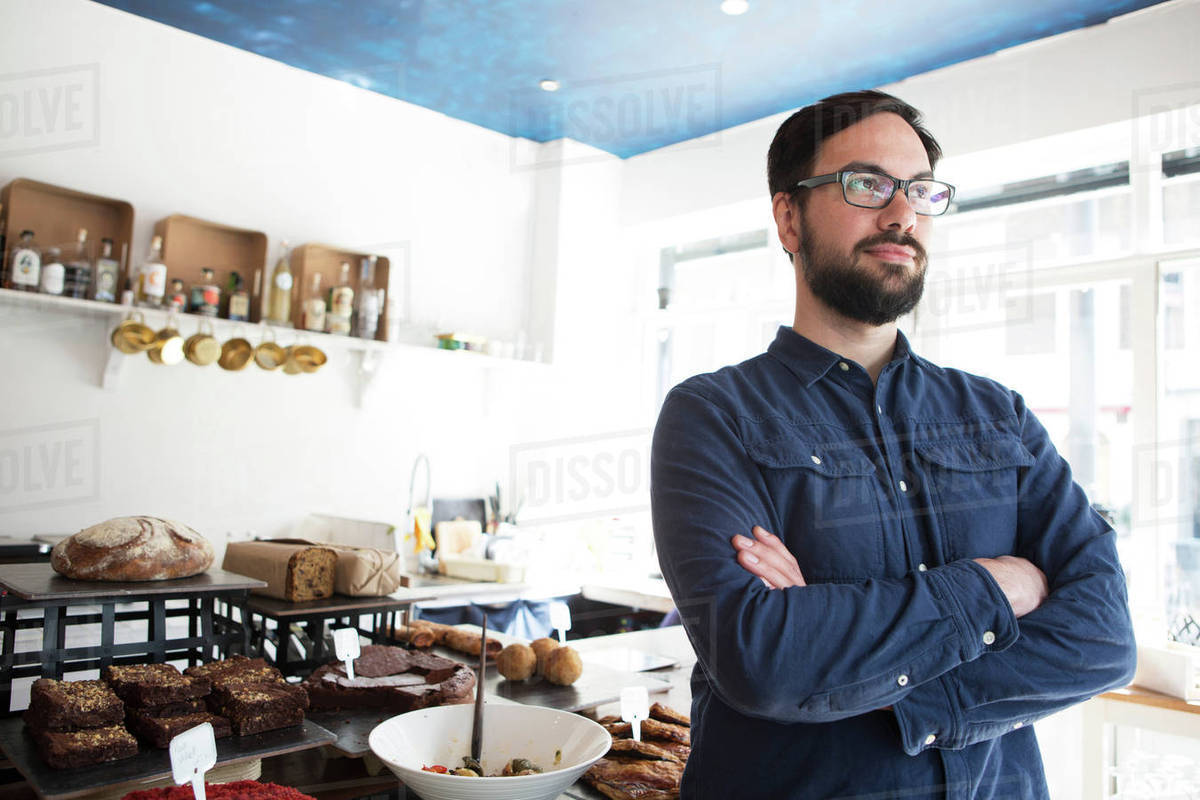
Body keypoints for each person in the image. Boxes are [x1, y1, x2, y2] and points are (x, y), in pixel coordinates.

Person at [650, 90, 1137, 799]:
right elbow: (760, 657)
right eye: (868, 184)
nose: (902, 213)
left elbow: (1104, 637)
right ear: (789, 216)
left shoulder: (997, 413)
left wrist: (877, 675)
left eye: (919, 191)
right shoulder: (713, 414)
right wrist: (995, 587)